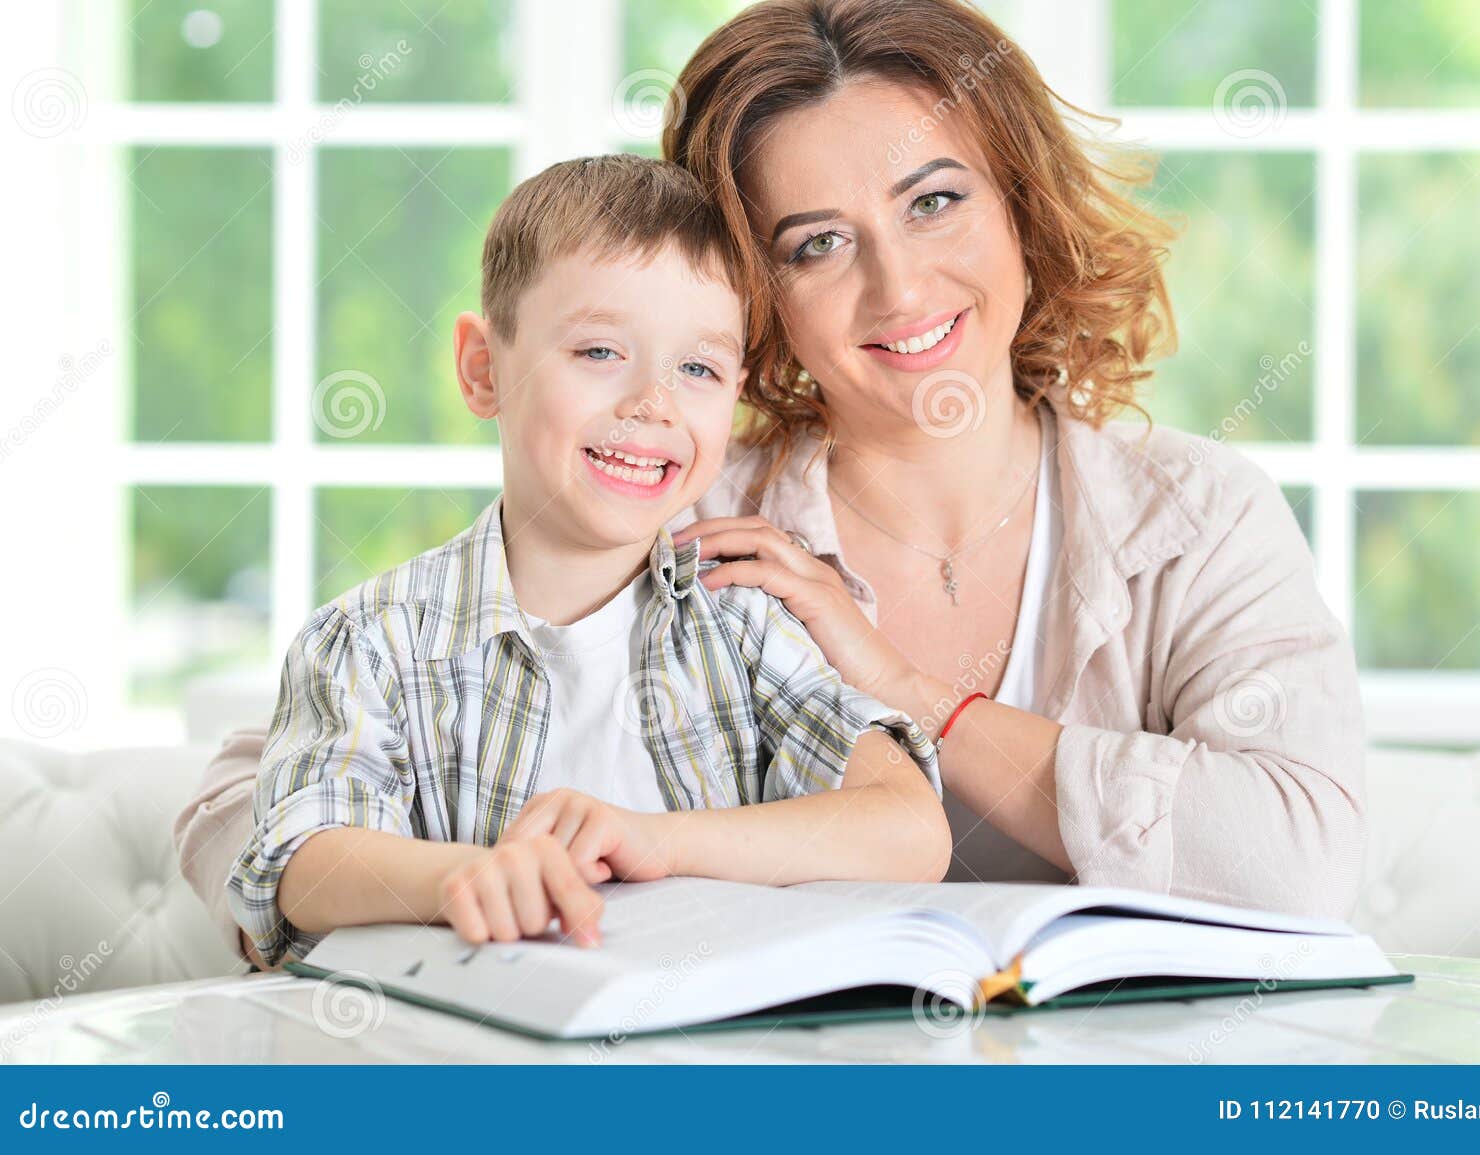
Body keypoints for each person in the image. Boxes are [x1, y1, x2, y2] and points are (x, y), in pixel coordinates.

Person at [179, 0, 1364, 970]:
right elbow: (262, 790)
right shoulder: (677, 501)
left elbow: (1306, 862)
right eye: (816, 243)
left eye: (935, 201)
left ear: (1021, 208)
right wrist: (477, 877)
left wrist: (916, 696)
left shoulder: (1192, 518)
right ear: (757, 296)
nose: (898, 288)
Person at [221, 153, 949, 969]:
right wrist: (474, 875)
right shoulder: (371, 638)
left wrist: (652, 841)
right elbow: (299, 858)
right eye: (600, 352)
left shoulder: (744, 626)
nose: (652, 402)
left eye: (698, 368)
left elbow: (911, 827)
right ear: (483, 367)